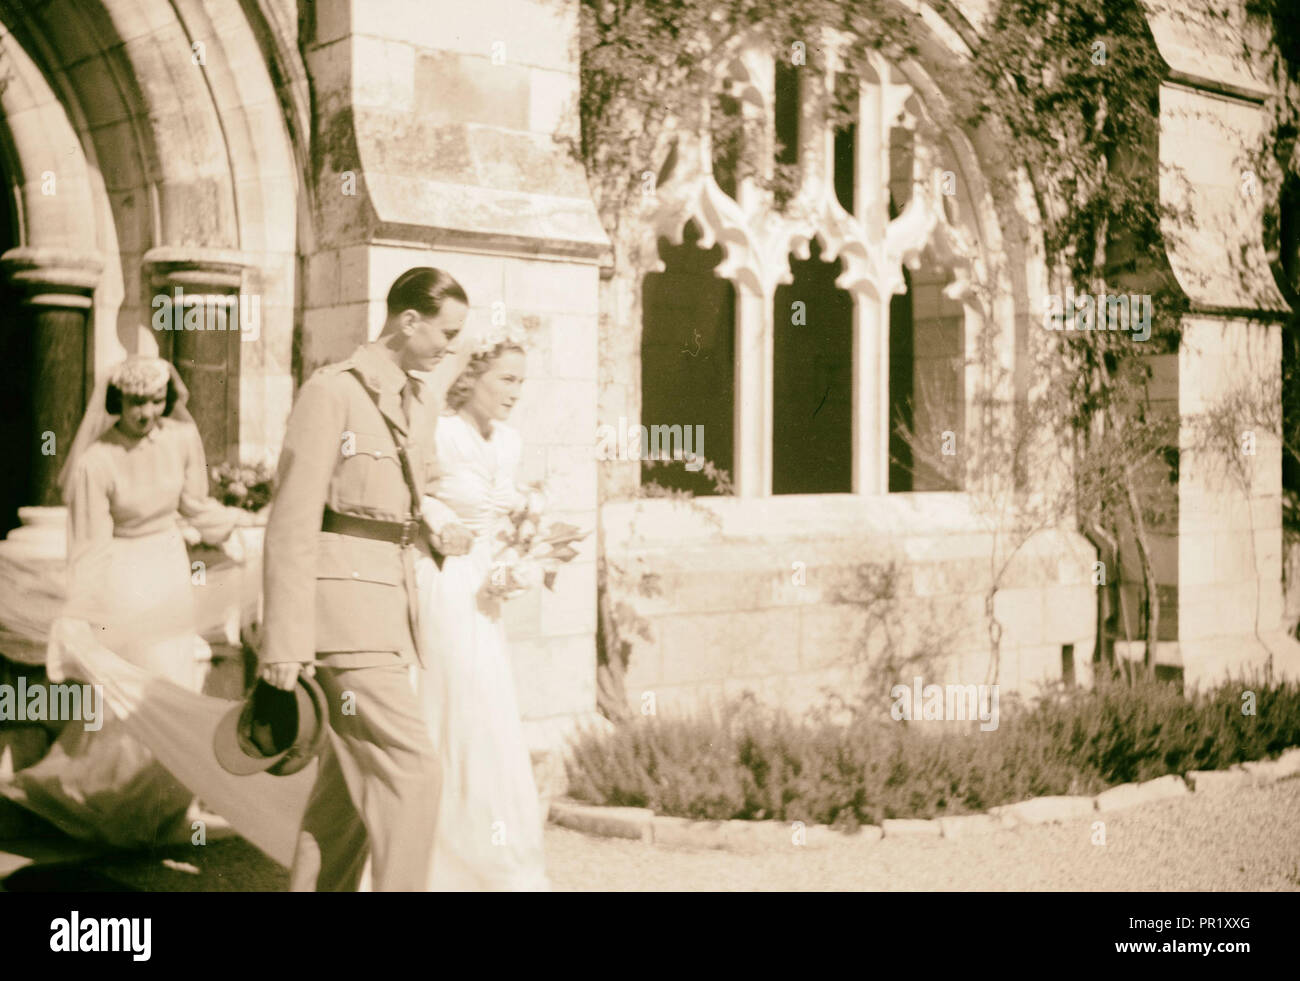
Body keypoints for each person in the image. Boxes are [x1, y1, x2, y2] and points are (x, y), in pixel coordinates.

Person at [258, 266, 474, 891]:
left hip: (389, 612)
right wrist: (284, 642)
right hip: (340, 618)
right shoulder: (333, 392)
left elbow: (406, 502)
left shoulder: (420, 400)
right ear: (409, 321)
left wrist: (436, 524)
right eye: (445, 334)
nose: (450, 349)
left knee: (346, 796)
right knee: (413, 773)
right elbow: (293, 520)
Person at [0, 356, 244, 847]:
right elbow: (89, 545)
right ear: (118, 401)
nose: (147, 411)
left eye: (155, 400)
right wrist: (81, 612)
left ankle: (166, 811)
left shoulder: (181, 440)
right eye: (136, 402)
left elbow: (195, 506)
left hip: (170, 569)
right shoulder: (97, 461)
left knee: (174, 687)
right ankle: (118, 812)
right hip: (125, 578)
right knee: (137, 695)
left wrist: (236, 525)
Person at [414, 329, 551, 890]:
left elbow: (508, 511)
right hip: (444, 586)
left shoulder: (510, 443)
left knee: (490, 714)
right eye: (506, 379)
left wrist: (518, 558)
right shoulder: (440, 434)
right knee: (455, 709)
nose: (516, 391)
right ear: (470, 376)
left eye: (522, 381)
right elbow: (407, 491)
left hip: (485, 595)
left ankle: (487, 860)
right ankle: (433, 861)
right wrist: (436, 521)